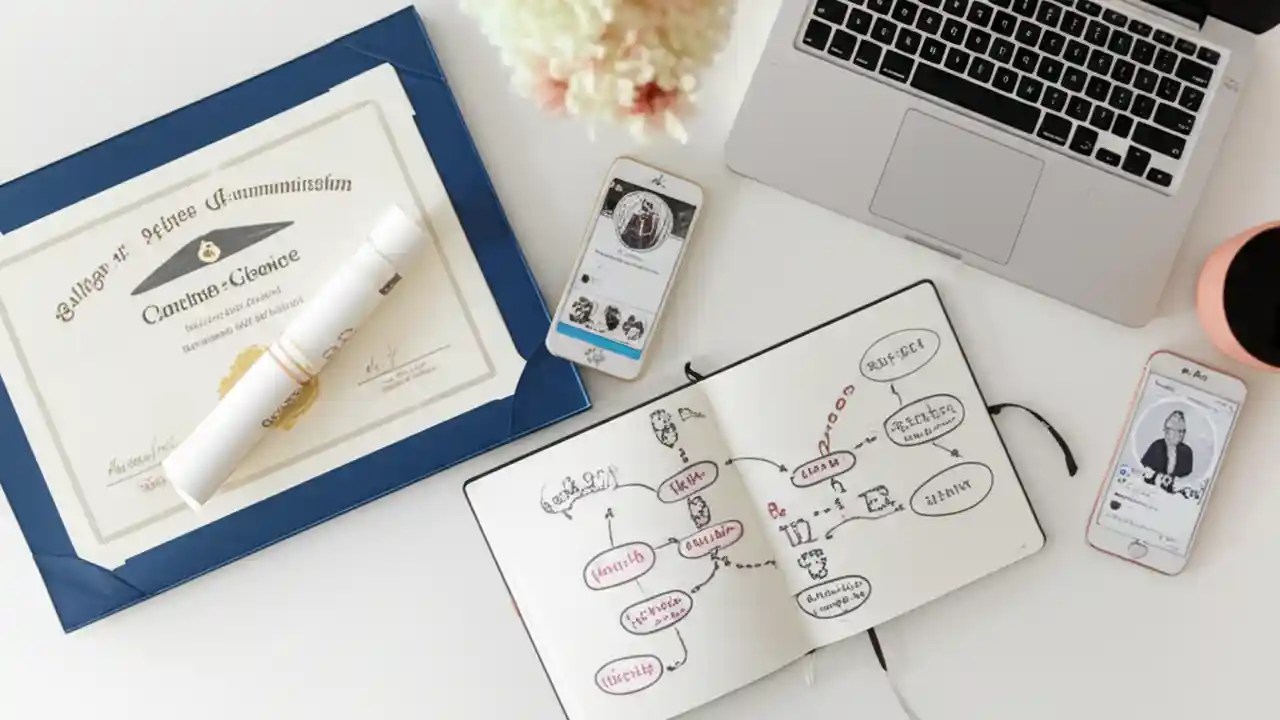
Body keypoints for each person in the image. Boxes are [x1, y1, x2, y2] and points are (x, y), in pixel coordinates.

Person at [1140, 410, 1194, 493]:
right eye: (1177, 431)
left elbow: (1188, 478)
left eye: (1182, 431)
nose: (1181, 435)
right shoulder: (1156, 446)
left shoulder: (1187, 452)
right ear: (1167, 431)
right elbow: (1143, 470)